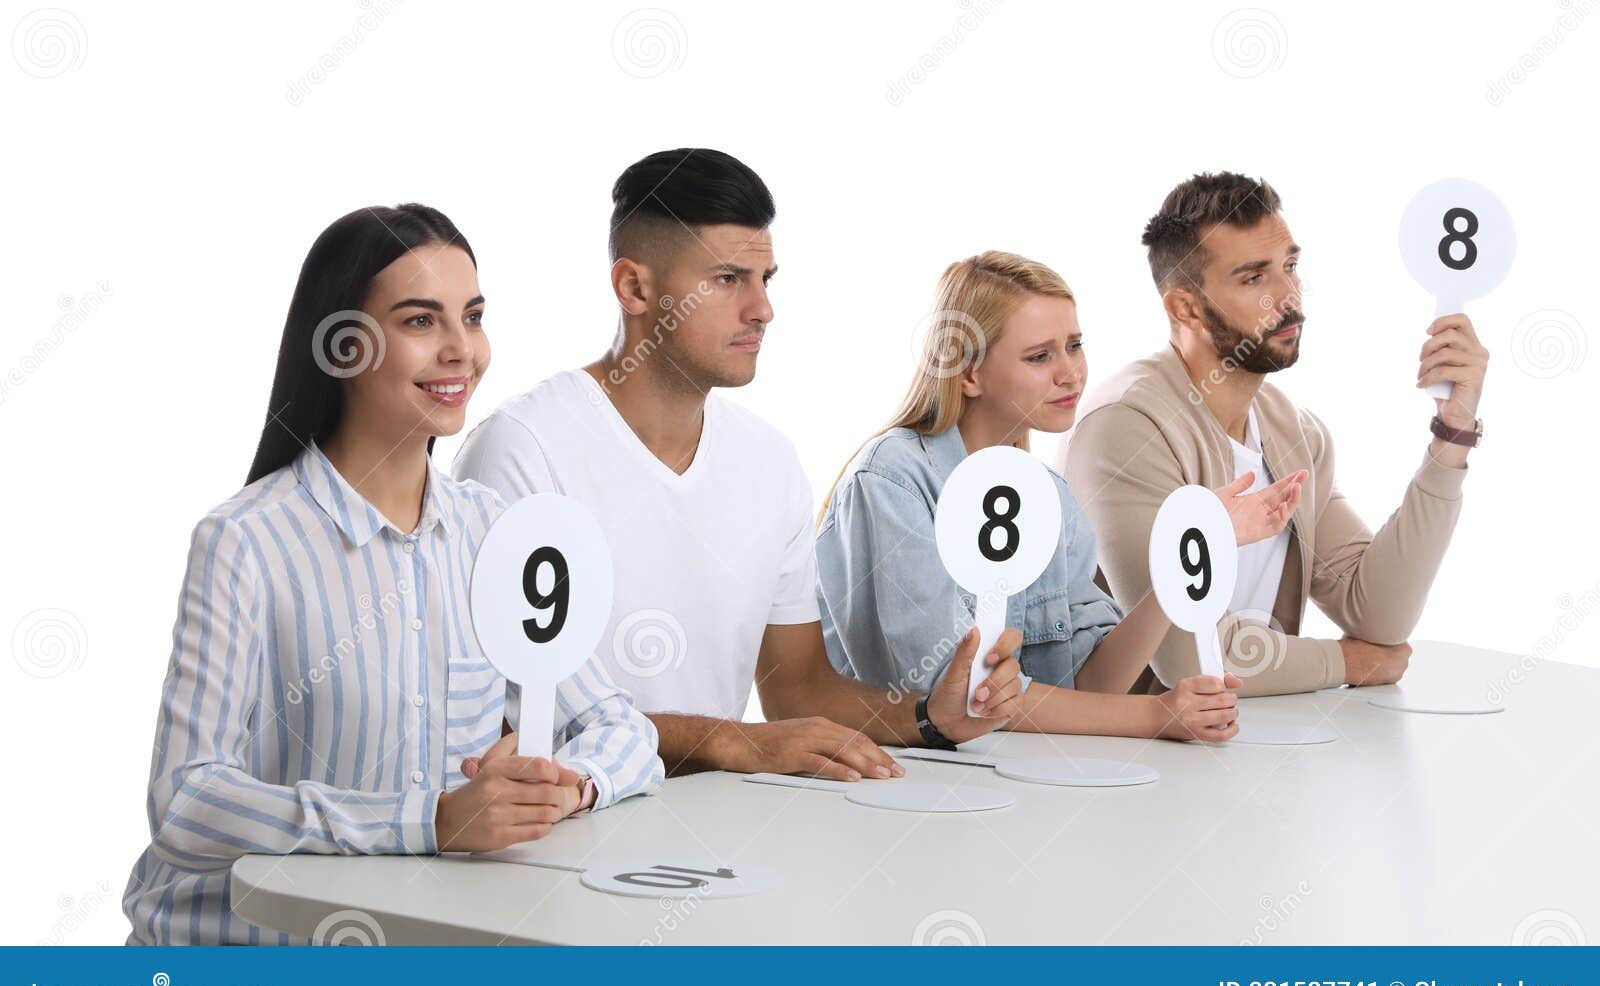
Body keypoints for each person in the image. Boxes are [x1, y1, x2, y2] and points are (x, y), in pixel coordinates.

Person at [123, 204, 662, 945]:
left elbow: (617, 725)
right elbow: (185, 803)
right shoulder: (245, 541)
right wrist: (430, 820)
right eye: (419, 322)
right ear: (343, 346)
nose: (460, 351)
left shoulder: (491, 532)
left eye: (471, 317)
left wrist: (556, 789)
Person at [455, 149, 1023, 781]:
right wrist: (727, 741)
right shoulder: (522, 449)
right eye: (728, 279)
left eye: (765, 280)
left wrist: (928, 718)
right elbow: (503, 721)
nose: (762, 309)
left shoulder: (769, 460)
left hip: (714, 835)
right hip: (554, 831)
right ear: (634, 287)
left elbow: (798, 691)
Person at [818, 251, 1305, 743]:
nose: (1070, 373)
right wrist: (1156, 717)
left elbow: (1093, 683)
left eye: (1074, 346)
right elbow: (962, 698)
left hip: (1022, 788)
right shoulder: (892, 480)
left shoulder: (1048, 495)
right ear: (968, 373)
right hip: (904, 787)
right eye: (1039, 356)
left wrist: (1191, 556)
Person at [1062, 172, 1485, 695]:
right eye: (1253, 278)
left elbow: (1377, 614)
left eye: (1289, 266)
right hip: (1130, 761)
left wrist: (1452, 435)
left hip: (1248, 752)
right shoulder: (1125, 427)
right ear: (1184, 308)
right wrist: (1348, 663)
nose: (1289, 297)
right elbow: (1186, 654)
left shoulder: (1294, 431)